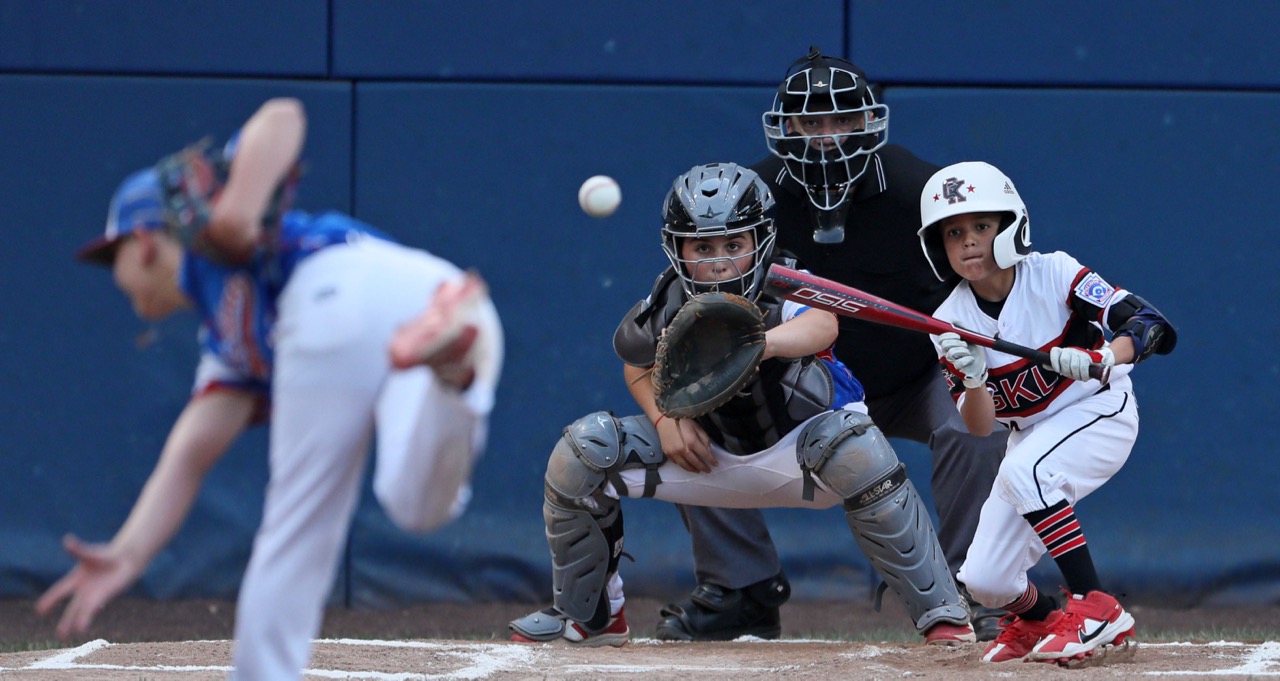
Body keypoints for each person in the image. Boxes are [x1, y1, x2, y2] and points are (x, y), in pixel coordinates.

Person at [35, 98, 504, 681]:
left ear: (147, 241)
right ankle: (450, 372)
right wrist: (128, 553)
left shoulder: (224, 243)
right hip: (434, 295)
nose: (118, 276)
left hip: (326, 286)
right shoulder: (226, 343)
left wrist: (236, 211)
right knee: (418, 506)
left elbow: (283, 115)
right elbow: (187, 456)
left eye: (116, 257)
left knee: (297, 523)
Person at [506, 162, 974, 647]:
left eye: (734, 244)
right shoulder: (667, 297)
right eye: (702, 248)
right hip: (711, 456)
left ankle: (943, 614)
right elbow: (635, 360)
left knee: (857, 445)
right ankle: (592, 617)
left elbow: (823, 324)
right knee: (584, 449)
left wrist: (760, 343)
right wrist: (664, 419)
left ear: (760, 241)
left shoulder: (787, 280)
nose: (719, 261)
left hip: (804, 454)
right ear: (677, 248)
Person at [659, 47, 1008, 642]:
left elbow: (987, 281)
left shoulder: (917, 193)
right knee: (694, 416)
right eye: (810, 123)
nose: (827, 138)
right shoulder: (751, 197)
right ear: (783, 128)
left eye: (843, 121)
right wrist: (670, 410)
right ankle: (741, 589)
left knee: (981, 424)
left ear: (870, 121)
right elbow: (692, 305)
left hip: (917, 376)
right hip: (797, 384)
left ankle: (967, 586)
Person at [917, 161, 1177, 663]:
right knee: (985, 580)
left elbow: (1151, 324)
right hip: (1029, 437)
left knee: (1026, 469)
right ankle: (1040, 618)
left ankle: (1096, 605)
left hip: (1101, 410)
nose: (968, 241)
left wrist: (1101, 357)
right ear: (938, 246)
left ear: (1010, 226)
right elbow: (979, 426)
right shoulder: (947, 322)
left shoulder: (1055, 272)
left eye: (981, 226)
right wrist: (973, 380)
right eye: (954, 232)